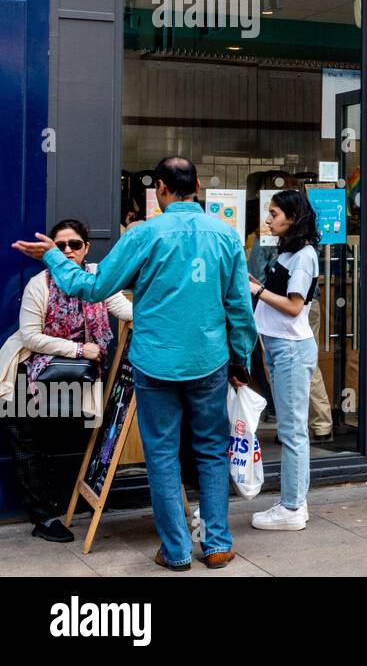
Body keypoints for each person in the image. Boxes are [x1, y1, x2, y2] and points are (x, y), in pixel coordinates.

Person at [12, 157, 257, 571]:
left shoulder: (145, 235)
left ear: (160, 188)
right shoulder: (225, 235)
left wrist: (53, 256)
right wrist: (241, 359)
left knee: (161, 455)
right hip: (210, 361)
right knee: (212, 452)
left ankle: (176, 552)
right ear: (196, 186)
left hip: (156, 364)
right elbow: (239, 308)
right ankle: (216, 545)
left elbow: (89, 287)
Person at [0, 219, 133, 542]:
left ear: (86, 247)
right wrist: (78, 348)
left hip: (70, 374)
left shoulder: (97, 281)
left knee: (60, 439)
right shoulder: (40, 284)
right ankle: (43, 518)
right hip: (27, 371)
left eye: (75, 244)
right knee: (29, 444)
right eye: (60, 246)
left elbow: (126, 312)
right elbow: (30, 337)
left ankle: (64, 506)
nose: (68, 251)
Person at [248, 190, 320, 531]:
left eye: (274, 213)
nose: (268, 220)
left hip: (290, 348)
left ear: (292, 217)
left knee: (292, 431)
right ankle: (295, 502)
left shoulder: (304, 256)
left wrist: (258, 292)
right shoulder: (290, 252)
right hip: (279, 346)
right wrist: (257, 285)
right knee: (291, 428)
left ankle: (291, 507)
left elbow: (294, 306)